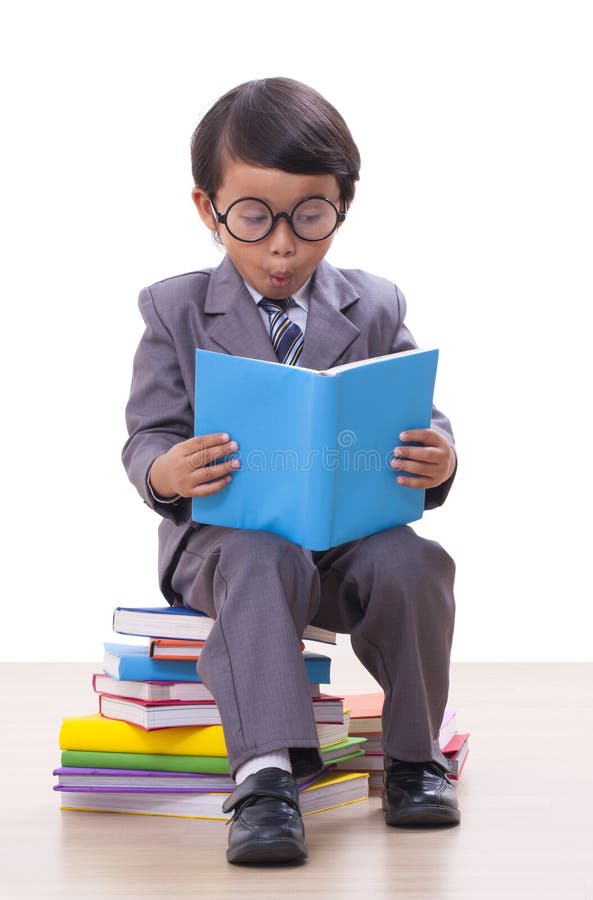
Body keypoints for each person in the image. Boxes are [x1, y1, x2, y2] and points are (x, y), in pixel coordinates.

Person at [122, 77, 460, 866]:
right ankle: (266, 779)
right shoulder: (174, 311)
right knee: (258, 554)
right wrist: (167, 470)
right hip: (227, 545)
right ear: (208, 209)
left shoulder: (375, 306)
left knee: (414, 562)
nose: (283, 246)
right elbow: (147, 436)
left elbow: (418, 411)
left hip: (346, 542)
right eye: (254, 217)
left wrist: (439, 454)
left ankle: (415, 759)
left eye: (311, 217)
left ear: (343, 206)